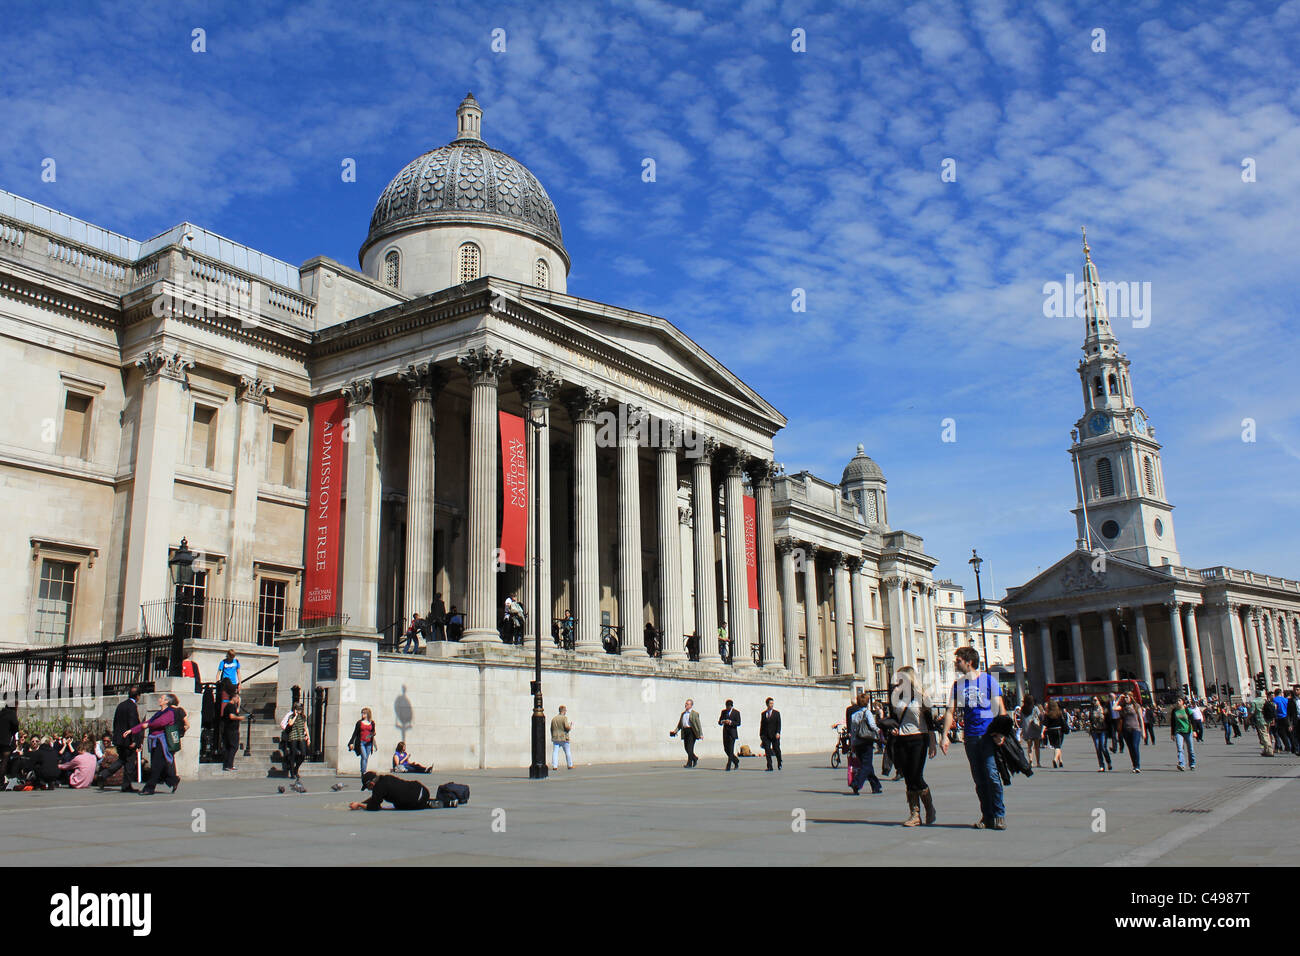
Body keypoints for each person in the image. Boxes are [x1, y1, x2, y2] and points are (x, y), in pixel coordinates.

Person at [941, 646, 1007, 830]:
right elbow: (950, 711)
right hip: (970, 736)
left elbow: (1000, 708)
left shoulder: (988, 680)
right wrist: (944, 735)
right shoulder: (958, 685)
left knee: (992, 775)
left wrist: (1000, 732)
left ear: (969, 662)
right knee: (979, 779)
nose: (956, 663)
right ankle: (987, 816)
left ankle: (999, 814)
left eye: (959, 660)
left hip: (988, 735)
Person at [891, 666, 937, 826]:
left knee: (916, 775)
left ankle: (929, 807)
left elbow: (930, 722)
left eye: (901, 678)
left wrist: (933, 743)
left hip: (919, 738)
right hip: (902, 739)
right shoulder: (897, 696)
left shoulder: (921, 696)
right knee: (908, 778)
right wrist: (894, 728)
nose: (897, 682)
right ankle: (915, 814)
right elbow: (894, 718)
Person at [128, 693, 187, 795]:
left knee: (156, 765)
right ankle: (173, 780)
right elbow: (148, 722)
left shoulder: (170, 712)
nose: (159, 699)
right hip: (155, 741)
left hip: (162, 742)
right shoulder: (159, 713)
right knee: (160, 765)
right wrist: (132, 730)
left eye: (162, 698)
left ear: (167, 701)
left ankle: (149, 788)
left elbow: (161, 722)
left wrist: (148, 725)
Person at [845, 691, 882, 795]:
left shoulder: (854, 715)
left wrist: (852, 745)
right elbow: (872, 725)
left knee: (867, 765)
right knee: (866, 766)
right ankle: (856, 783)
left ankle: (876, 786)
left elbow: (852, 731)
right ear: (867, 703)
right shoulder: (867, 713)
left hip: (857, 742)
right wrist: (879, 731)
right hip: (866, 741)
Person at [107, 686, 142, 792]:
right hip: (128, 740)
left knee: (122, 759)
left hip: (119, 738)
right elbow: (133, 724)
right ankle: (126, 785)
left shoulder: (121, 705)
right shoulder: (132, 707)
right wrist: (134, 740)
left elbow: (115, 722)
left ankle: (104, 774)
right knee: (130, 762)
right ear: (137, 696)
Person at [348, 771, 436, 811]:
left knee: (398, 805)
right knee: (403, 794)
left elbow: (374, 807)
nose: (369, 790)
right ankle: (427, 801)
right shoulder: (386, 778)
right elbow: (375, 798)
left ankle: (425, 803)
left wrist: (359, 805)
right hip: (422, 790)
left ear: (371, 784)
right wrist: (362, 802)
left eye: (368, 787)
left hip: (415, 803)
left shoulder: (379, 788)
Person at [347, 707, 377, 786]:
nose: (363, 714)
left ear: (368, 714)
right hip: (361, 742)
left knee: (366, 757)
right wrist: (351, 742)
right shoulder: (359, 723)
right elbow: (355, 733)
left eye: (364, 713)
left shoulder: (372, 723)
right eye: (362, 713)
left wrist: (374, 744)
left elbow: (373, 733)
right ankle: (363, 772)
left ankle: (364, 770)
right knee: (363, 756)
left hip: (369, 742)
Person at [670, 699, 703, 768]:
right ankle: (694, 758)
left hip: (692, 731)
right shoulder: (683, 714)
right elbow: (679, 725)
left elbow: (698, 724)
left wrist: (701, 734)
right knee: (686, 748)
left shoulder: (694, 714)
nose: (686, 705)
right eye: (685, 704)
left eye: (687, 704)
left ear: (691, 705)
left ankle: (689, 763)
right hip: (685, 731)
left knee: (690, 748)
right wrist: (675, 731)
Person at [282, 701, 310, 780]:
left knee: (303, 754)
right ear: (295, 709)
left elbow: (305, 727)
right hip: (293, 736)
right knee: (293, 754)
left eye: (300, 709)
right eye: (298, 709)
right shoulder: (291, 716)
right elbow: (290, 724)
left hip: (301, 736)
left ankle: (296, 768)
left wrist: (308, 737)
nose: (299, 711)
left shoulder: (303, 717)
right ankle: (292, 772)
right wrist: (295, 715)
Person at [1118, 692, 1144, 772]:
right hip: (1126, 730)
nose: (1125, 699)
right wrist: (1119, 699)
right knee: (1130, 748)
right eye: (1124, 697)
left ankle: (1137, 766)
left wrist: (1143, 731)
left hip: (1136, 729)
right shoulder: (1122, 707)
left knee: (1135, 746)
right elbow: (1113, 708)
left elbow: (1140, 719)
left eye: (1127, 697)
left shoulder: (1136, 706)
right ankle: (1134, 765)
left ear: (1130, 697)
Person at [220, 691, 245, 771]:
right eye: (237, 698)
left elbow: (236, 712)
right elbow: (232, 716)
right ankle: (229, 764)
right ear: (233, 697)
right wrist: (239, 718)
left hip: (228, 729)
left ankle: (228, 764)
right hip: (232, 730)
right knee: (234, 746)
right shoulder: (230, 706)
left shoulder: (230, 706)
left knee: (229, 747)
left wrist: (239, 704)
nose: (238, 700)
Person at [1170, 697, 1196, 771]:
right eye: (1177, 700)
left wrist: (1194, 731)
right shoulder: (1174, 711)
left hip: (1188, 731)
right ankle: (1182, 764)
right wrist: (1172, 734)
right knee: (1180, 748)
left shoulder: (1187, 710)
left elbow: (1193, 721)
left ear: (1183, 702)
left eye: (1179, 700)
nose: (1177, 702)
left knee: (1190, 749)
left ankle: (1192, 763)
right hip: (1178, 731)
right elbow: (1173, 723)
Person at [1087, 696, 1112, 772]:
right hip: (1094, 731)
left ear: (1099, 700)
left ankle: (1109, 762)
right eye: (1093, 700)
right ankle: (1101, 765)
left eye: (1095, 700)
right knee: (1098, 748)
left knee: (1103, 748)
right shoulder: (1091, 710)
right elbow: (1090, 719)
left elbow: (1108, 719)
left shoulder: (1104, 709)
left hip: (1103, 730)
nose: (1094, 702)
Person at [1019, 693, 1042, 768]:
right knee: (1037, 747)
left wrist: (1022, 731)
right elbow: (1040, 717)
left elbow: (1021, 720)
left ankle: (1031, 760)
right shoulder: (1035, 708)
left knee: (1030, 747)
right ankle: (1038, 762)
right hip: (1035, 728)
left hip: (1027, 729)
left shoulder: (1022, 709)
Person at [718, 699, 742, 771]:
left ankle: (729, 765)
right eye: (727, 706)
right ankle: (736, 760)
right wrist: (723, 721)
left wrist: (731, 722)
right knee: (726, 749)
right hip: (725, 732)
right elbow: (719, 721)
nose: (728, 708)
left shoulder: (736, 713)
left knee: (731, 749)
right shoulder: (723, 712)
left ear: (731, 706)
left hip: (732, 733)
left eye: (729, 706)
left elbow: (738, 723)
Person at [1043, 700, 1068, 768]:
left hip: (1050, 731)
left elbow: (1045, 724)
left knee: (1056, 746)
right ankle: (1055, 759)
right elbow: (1063, 723)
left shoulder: (1047, 714)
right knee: (1058, 746)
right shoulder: (1059, 713)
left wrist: (1042, 732)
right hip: (1058, 730)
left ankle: (1061, 761)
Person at [759, 697, 782, 771]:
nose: (772, 705)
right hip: (766, 735)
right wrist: (761, 735)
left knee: (776, 749)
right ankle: (769, 766)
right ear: (767, 704)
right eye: (770, 703)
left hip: (774, 735)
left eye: (772, 703)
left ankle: (779, 762)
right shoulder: (763, 714)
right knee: (767, 750)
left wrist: (778, 732)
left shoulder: (776, 713)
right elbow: (762, 724)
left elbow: (779, 724)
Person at [550, 705, 574, 770]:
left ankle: (555, 766)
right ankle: (570, 765)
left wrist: (552, 736)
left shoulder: (554, 719)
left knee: (555, 752)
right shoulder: (564, 718)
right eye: (565, 710)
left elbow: (551, 728)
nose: (566, 711)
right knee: (567, 752)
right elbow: (566, 727)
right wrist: (570, 726)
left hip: (555, 738)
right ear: (563, 711)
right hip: (563, 737)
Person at [0, 701, 17, 791]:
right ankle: (1, 783)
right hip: (6, 741)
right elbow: (16, 726)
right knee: (4, 762)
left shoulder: (1, 713)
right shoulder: (12, 714)